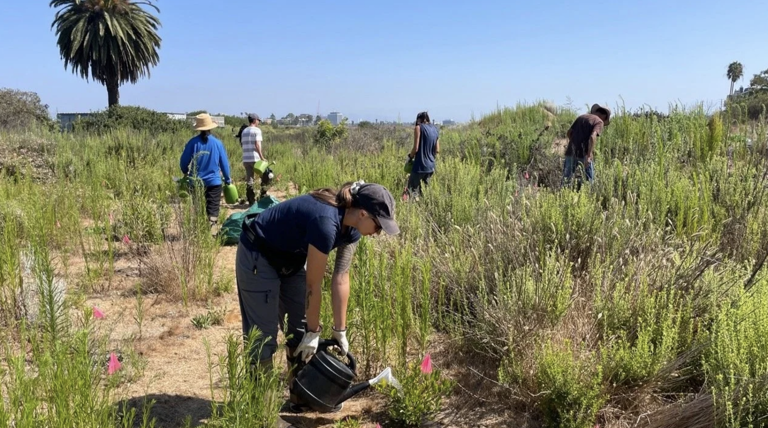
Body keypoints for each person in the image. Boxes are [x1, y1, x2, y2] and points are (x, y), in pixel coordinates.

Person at [235, 180, 399, 415]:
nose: (378, 232)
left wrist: (339, 330)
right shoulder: (326, 221)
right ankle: (261, 410)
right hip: (258, 256)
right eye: (378, 225)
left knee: (300, 331)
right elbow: (314, 284)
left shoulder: (353, 229)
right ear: (363, 213)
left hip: (289, 261)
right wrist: (314, 331)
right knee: (262, 337)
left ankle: (301, 399)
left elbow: (341, 277)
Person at [180, 113, 232, 227]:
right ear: (210, 127)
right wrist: (228, 180)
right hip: (214, 182)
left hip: (196, 182)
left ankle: (199, 230)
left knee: (198, 207)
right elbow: (224, 164)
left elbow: (183, 161)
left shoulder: (193, 142)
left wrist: (185, 171)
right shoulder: (218, 143)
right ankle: (212, 230)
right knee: (213, 208)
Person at [562, 103, 611, 187]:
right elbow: (592, 136)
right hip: (584, 154)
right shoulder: (599, 121)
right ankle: (588, 197)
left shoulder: (581, 117)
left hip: (570, 152)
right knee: (589, 181)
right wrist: (588, 155)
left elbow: (569, 133)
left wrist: (574, 144)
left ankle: (561, 197)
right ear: (604, 116)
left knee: (566, 180)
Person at [406, 112, 440, 199]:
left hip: (419, 166)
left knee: (412, 191)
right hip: (431, 167)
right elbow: (437, 150)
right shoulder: (435, 130)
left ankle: (413, 210)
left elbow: (416, 148)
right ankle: (424, 209)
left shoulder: (418, 128)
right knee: (425, 194)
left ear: (419, 119)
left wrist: (410, 157)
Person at [240, 113, 266, 206]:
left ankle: (251, 200)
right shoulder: (256, 130)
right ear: (255, 120)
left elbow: (242, 144)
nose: (259, 122)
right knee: (266, 176)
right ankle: (262, 196)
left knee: (249, 180)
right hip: (255, 158)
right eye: (258, 120)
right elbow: (257, 145)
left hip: (246, 159)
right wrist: (262, 157)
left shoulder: (244, 131)